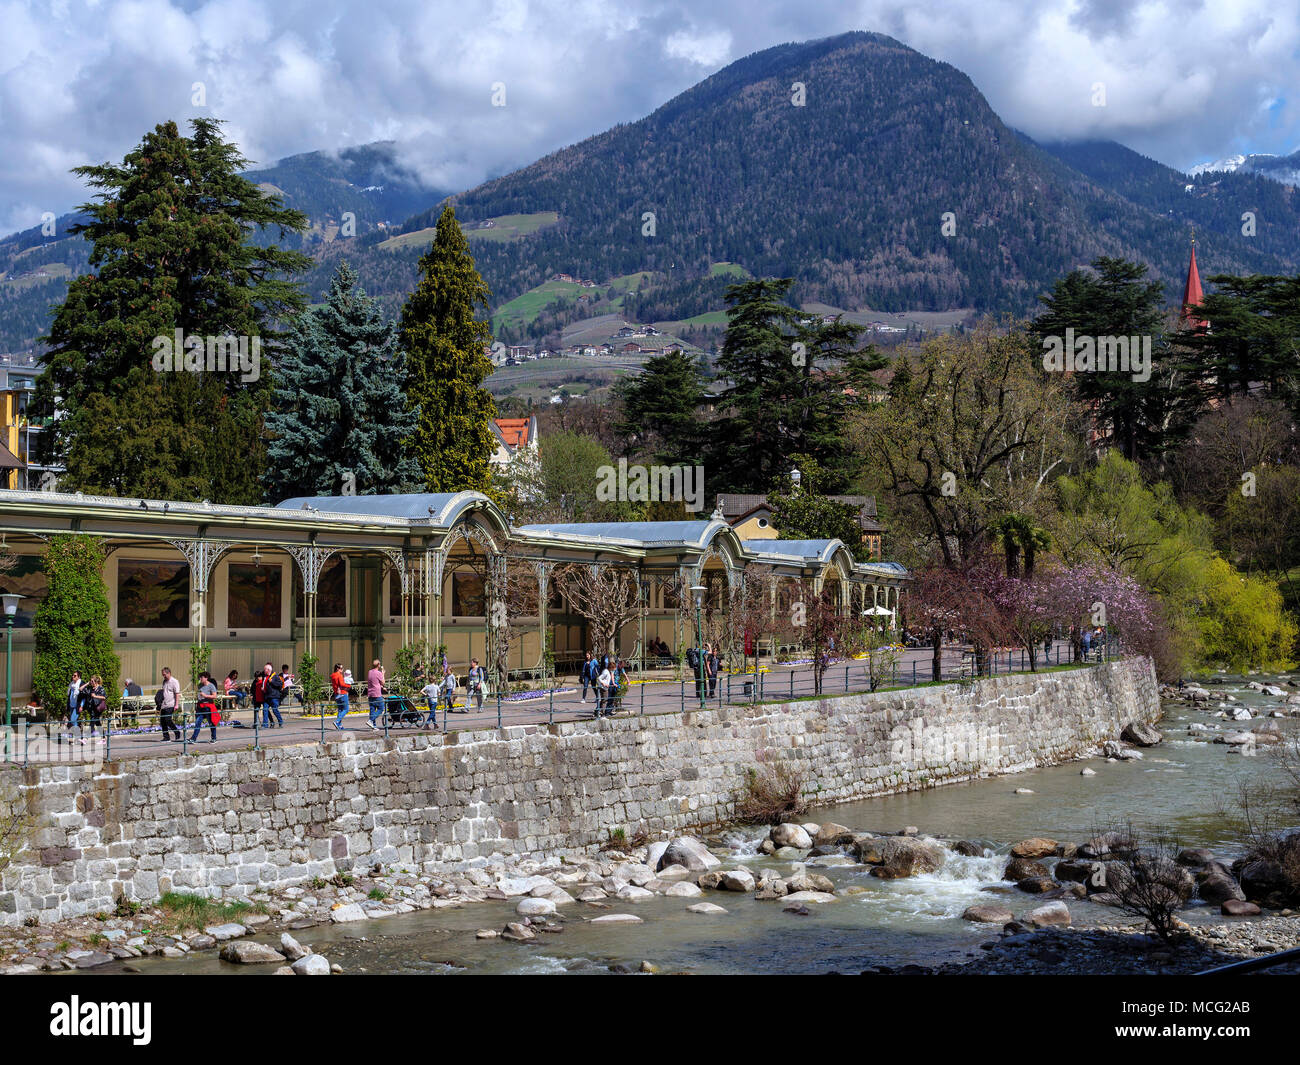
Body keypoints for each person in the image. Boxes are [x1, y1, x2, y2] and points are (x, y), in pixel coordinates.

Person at [190, 670, 219, 743]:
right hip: (200, 706)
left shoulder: (211, 685)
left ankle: (214, 738)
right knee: (197, 722)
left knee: (211, 723)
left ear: (206, 678)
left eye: (201, 678)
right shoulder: (200, 685)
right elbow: (199, 694)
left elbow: (215, 696)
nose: (200, 679)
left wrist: (205, 696)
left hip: (208, 707)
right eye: (200, 678)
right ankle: (193, 739)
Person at [158, 666, 181, 741]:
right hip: (164, 704)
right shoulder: (164, 681)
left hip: (171, 704)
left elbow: (177, 693)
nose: (163, 676)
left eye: (164, 674)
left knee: (168, 720)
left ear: (169, 673)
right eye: (163, 675)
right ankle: (166, 737)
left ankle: (177, 732)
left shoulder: (175, 682)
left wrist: (176, 704)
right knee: (162, 721)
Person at [263, 664, 288, 728]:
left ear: (268, 670)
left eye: (265, 669)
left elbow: (280, 684)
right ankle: (265, 725)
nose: (264, 671)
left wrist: (272, 682)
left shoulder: (275, 676)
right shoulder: (265, 676)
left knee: (275, 710)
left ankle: (280, 722)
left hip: (274, 696)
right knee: (265, 709)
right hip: (267, 696)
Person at [366, 659, 385, 730]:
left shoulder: (370, 672)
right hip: (377, 693)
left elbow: (375, 682)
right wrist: (383, 673)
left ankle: (373, 726)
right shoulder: (379, 673)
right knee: (381, 708)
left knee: (372, 709)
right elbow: (383, 682)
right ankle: (371, 721)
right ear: (379, 665)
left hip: (370, 693)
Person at [330, 662, 349, 730]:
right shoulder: (339, 675)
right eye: (341, 668)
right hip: (343, 693)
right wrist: (348, 685)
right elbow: (342, 684)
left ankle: (339, 725)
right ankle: (337, 722)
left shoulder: (333, 675)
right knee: (346, 709)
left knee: (340, 710)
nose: (342, 670)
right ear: (338, 669)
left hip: (336, 694)